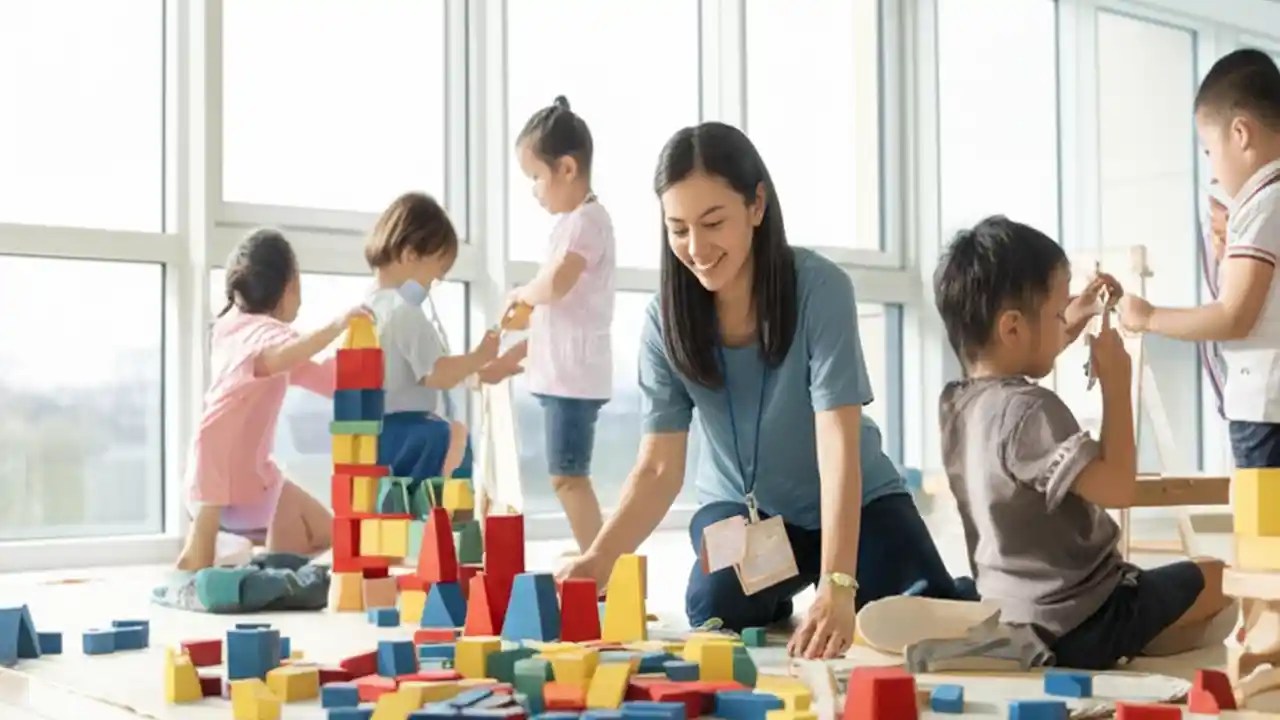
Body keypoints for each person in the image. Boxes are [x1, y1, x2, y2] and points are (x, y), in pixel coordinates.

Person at [558, 122, 970, 659]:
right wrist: (598, 559)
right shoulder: (666, 320)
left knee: (921, 614)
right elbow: (659, 467)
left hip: (855, 501)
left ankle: (852, 581)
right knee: (714, 607)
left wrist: (839, 584)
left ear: (757, 205)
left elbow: (838, 445)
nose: (696, 247)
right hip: (746, 514)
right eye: (678, 228)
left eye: (713, 223)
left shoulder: (820, 289)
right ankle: (783, 594)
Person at [934, 215, 1233, 669]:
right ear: (1013, 328)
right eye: (1057, 314)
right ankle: (1127, 644)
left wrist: (1079, 311)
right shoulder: (1030, 410)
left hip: (1011, 614)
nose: (1063, 324)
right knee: (1222, 579)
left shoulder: (959, 405)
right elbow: (1119, 490)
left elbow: (1030, 348)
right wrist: (1116, 385)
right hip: (1084, 617)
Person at [1119, 48, 1280, 469]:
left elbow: (1233, 317)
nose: (1211, 167)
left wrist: (1149, 316)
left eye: (1209, 149)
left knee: (1263, 531)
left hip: (1267, 412)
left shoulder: (1265, 206)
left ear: (1240, 134)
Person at [178, 229, 367, 570]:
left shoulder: (234, 330)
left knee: (328, 533)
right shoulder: (256, 332)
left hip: (249, 483)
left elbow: (326, 379)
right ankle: (253, 567)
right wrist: (336, 326)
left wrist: (368, 361)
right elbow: (278, 356)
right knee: (202, 561)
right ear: (289, 285)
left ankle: (256, 565)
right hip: (215, 480)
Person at [501, 95, 616, 552]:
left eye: (536, 177)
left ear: (566, 168)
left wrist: (524, 293)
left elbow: (558, 282)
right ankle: (593, 550)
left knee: (568, 476)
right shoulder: (574, 222)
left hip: (574, 376)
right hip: (562, 374)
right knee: (566, 474)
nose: (535, 190)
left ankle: (599, 558)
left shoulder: (587, 220)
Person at [364, 192, 511, 493]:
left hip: (376, 436)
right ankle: (448, 520)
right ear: (410, 255)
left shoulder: (369, 308)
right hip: (409, 436)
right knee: (454, 439)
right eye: (435, 274)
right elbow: (437, 373)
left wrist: (476, 374)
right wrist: (480, 355)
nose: (434, 285)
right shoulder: (404, 311)